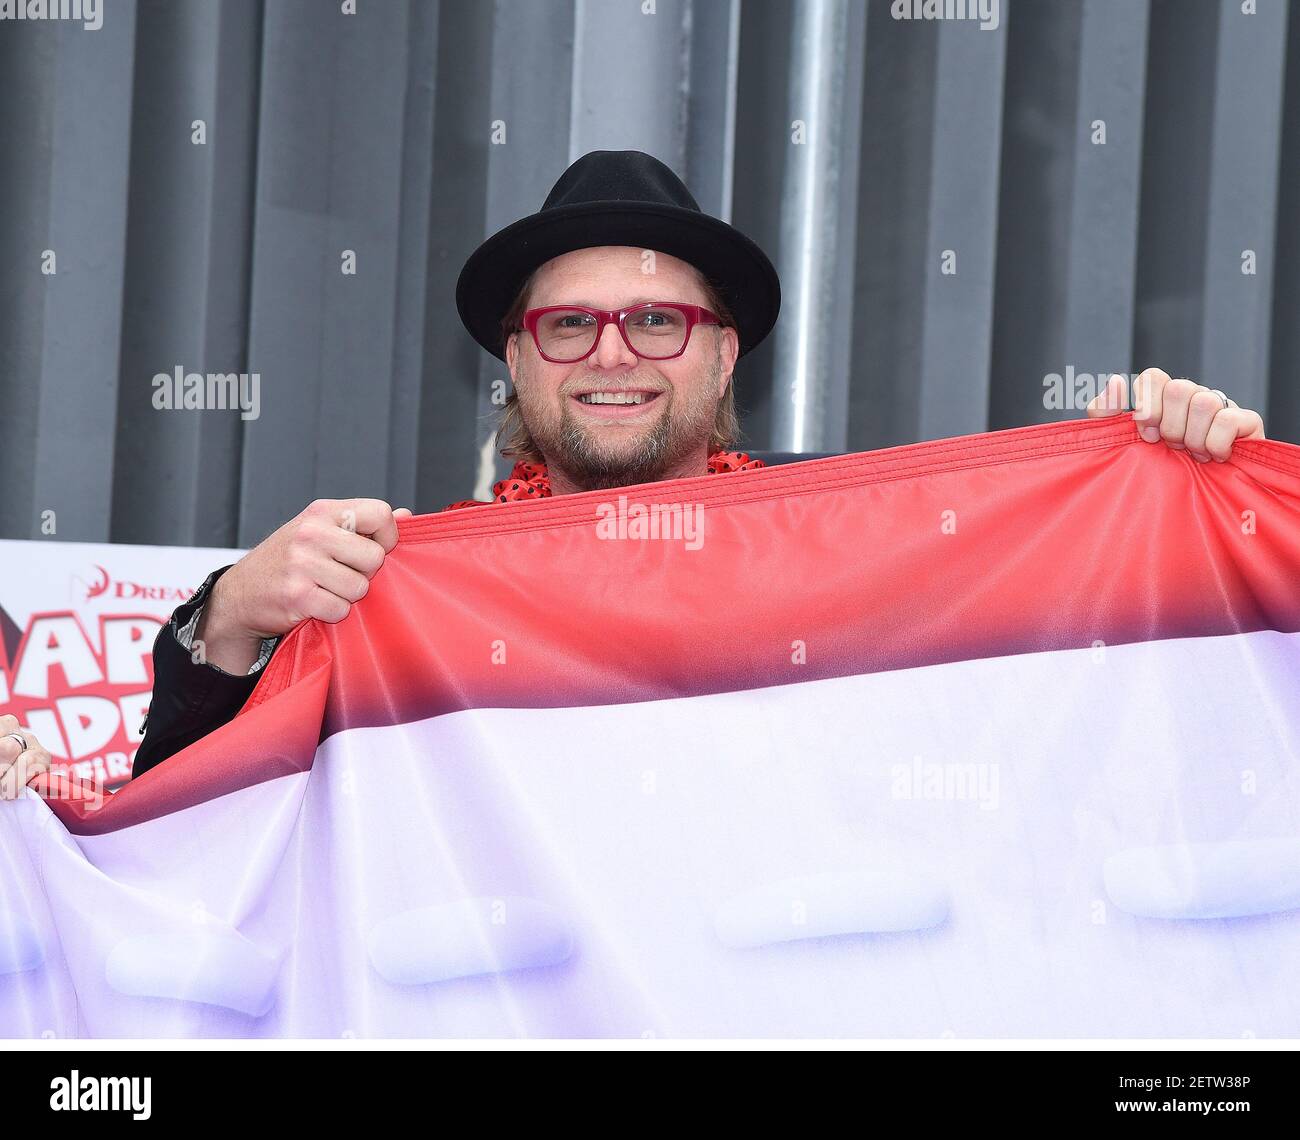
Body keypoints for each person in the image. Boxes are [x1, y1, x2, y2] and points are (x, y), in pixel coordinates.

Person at [2, 150, 1264, 793]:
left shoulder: (869, 558)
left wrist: (1171, 487)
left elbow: (1059, 720)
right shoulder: (394, 596)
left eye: (657, 321)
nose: (614, 355)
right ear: (519, 357)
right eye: (570, 324)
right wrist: (228, 620)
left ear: (722, 360)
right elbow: (197, 829)